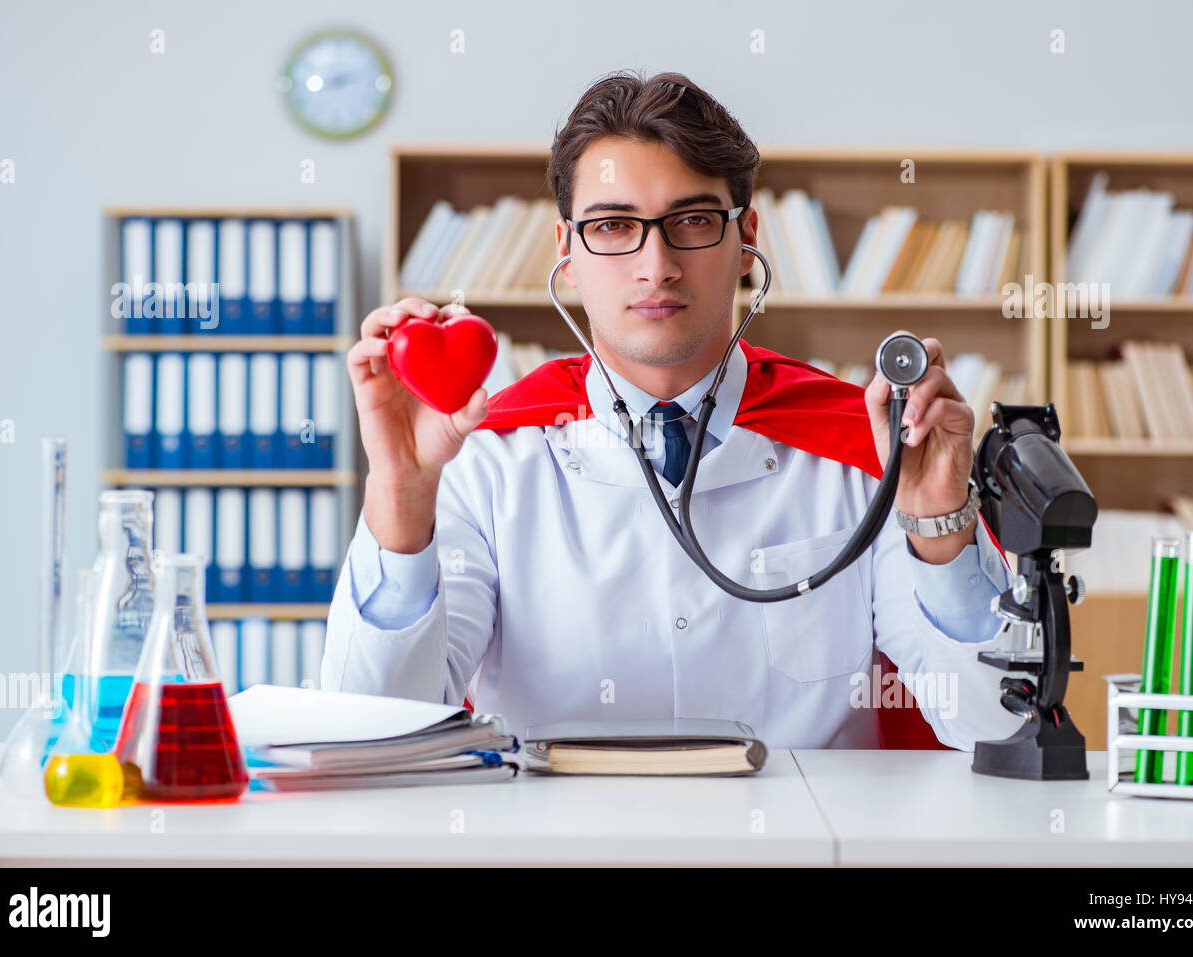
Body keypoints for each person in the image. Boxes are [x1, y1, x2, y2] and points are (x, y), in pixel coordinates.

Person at [322, 68, 1026, 750]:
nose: (655, 264)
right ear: (567, 248)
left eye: (690, 220)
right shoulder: (486, 457)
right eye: (613, 225)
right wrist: (401, 497)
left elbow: (997, 727)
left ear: (747, 239)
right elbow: (376, 731)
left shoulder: (868, 449)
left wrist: (939, 524)